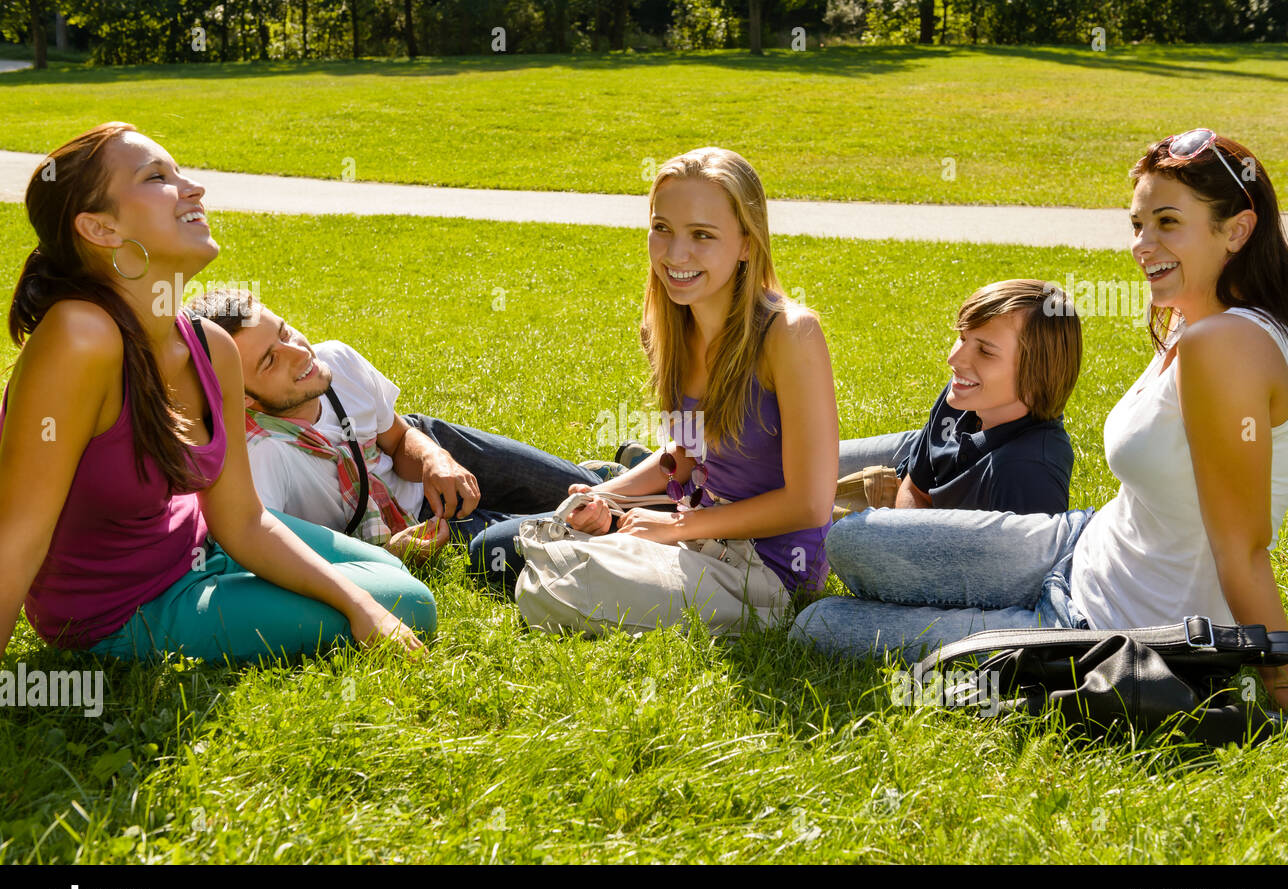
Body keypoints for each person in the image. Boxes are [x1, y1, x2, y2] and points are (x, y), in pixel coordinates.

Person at [794, 130, 1288, 714]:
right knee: (852, 542)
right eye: (1138, 224)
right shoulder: (1198, 320)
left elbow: (1243, 547)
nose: (1143, 244)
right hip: (1079, 541)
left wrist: (1286, 692)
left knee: (821, 624)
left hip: (1098, 624)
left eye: (1167, 222)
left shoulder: (1228, 343)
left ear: (1236, 229)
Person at [0, 122, 434, 663]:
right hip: (126, 610)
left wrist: (356, 605)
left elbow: (243, 520)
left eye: (180, 171)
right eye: (158, 176)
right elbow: (15, 538)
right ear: (101, 228)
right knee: (408, 601)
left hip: (203, 547)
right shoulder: (80, 338)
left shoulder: (210, 346)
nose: (193, 188)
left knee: (384, 578)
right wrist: (364, 607)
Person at [469, 146, 838, 623]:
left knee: (550, 583)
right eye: (662, 228)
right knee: (490, 551)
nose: (675, 254)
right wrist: (606, 498)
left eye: (702, 235)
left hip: (765, 571)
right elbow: (685, 457)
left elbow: (809, 505)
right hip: (692, 525)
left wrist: (675, 527)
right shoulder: (667, 326)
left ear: (748, 242)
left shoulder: (790, 334)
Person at [182, 287, 616, 564]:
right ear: (240, 397)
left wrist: (434, 458)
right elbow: (275, 558)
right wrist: (388, 558)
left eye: (284, 331)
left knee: (586, 490)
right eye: (271, 360)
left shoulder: (335, 360)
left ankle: (626, 481)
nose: (299, 352)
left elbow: (396, 438)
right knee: (552, 532)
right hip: (417, 527)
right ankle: (646, 514)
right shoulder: (258, 458)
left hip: (434, 450)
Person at [837, 279, 1082, 516]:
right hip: (909, 456)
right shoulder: (968, 397)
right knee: (803, 465)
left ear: (1037, 374)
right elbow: (914, 487)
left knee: (835, 534)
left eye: (985, 351)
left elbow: (1014, 557)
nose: (954, 360)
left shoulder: (1027, 472)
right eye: (962, 338)